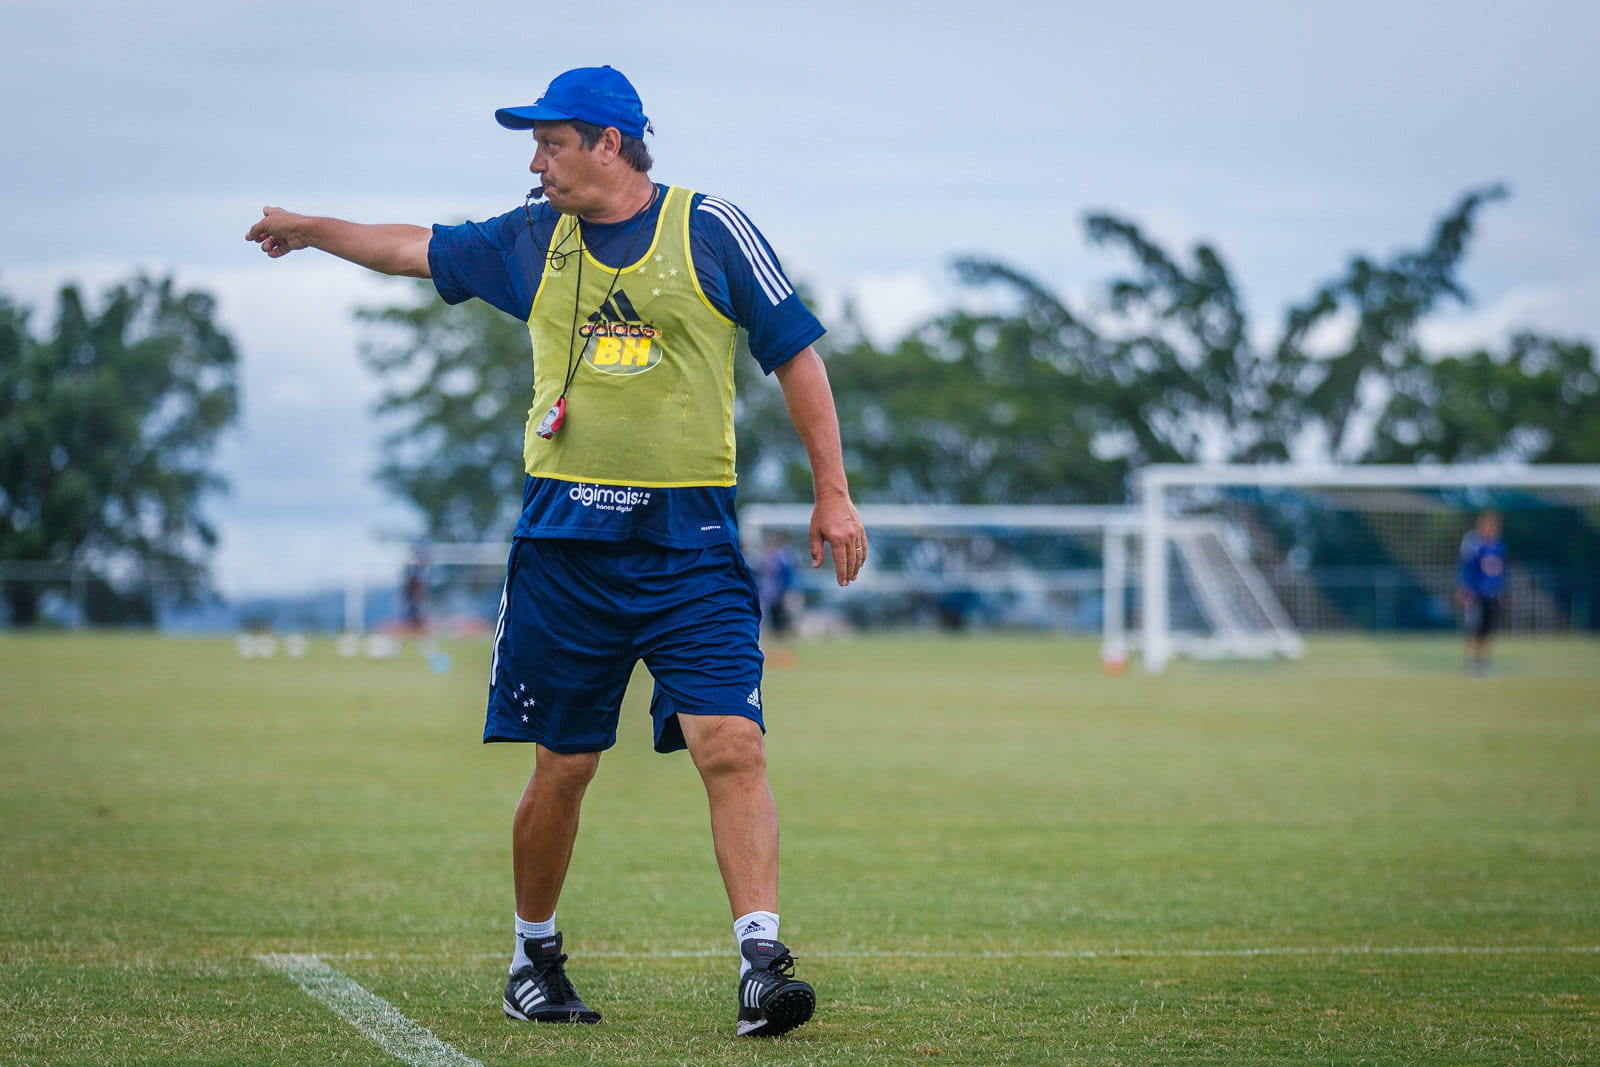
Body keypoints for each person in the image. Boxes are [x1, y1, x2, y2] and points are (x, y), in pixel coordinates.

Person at [246, 65, 867, 1038]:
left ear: (609, 143)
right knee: (564, 767)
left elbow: (794, 351)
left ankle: (760, 957)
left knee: (732, 744)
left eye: (551, 143)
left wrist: (833, 490)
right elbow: (413, 248)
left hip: (689, 544)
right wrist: (313, 228)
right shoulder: (529, 239)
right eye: (533, 146)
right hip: (564, 548)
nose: (535, 162)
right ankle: (533, 952)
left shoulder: (711, 230)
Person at [1456, 509, 1505, 676]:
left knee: (1487, 630)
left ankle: (1483, 661)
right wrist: (1465, 589)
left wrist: (1501, 591)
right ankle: (1473, 661)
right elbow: (1466, 569)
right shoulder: (1473, 544)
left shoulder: (1499, 545)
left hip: (1492, 594)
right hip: (1476, 594)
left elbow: (1501, 572)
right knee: (1475, 628)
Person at [758, 530, 800, 667]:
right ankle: (774, 654)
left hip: (784, 594)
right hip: (772, 595)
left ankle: (786, 654)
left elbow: (788, 577)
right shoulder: (771, 556)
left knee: (785, 624)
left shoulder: (786, 557)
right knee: (772, 624)